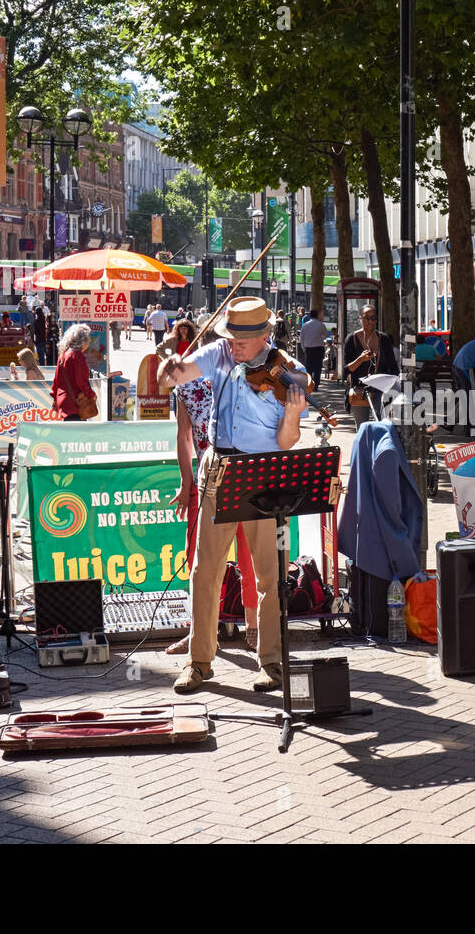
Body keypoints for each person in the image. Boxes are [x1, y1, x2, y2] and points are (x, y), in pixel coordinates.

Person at [158, 297, 309, 694]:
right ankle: (199, 660)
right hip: (219, 467)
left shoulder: (290, 372)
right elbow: (179, 373)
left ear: (264, 336)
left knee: (270, 574)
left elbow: (287, 441)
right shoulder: (220, 352)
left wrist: (292, 416)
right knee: (204, 568)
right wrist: (170, 366)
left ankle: (272, 661)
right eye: (232, 337)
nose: (235, 345)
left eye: (243, 340)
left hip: (265, 472)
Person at [162, 327, 260, 657]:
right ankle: (201, 634)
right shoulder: (187, 385)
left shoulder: (243, 374)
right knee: (199, 560)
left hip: (244, 468)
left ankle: (255, 627)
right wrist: (186, 482)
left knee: (250, 554)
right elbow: (184, 437)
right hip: (209, 472)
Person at [344, 304, 399, 426]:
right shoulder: (351, 339)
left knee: (381, 424)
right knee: (362, 426)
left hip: (380, 390)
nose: (370, 322)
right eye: (366, 318)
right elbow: (346, 370)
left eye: (373, 318)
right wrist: (360, 359)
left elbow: (393, 367)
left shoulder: (383, 339)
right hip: (359, 390)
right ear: (360, 319)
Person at [51, 324, 96, 421]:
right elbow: (81, 381)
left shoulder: (63, 355)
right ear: (83, 340)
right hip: (76, 403)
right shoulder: (77, 356)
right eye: (88, 338)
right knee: (79, 434)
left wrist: (55, 399)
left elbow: (56, 381)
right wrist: (92, 394)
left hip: (63, 402)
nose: (89, 341)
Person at [298, 307, 328, 386]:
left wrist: (304, 348)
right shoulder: (321, 325)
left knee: (309, 368)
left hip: (309, 349)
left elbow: (301, 338)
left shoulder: (305, 326)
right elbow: (326, 335)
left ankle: (309, 384)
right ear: (317, 316)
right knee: (317, 367)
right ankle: (316, 384)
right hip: (319, 348)